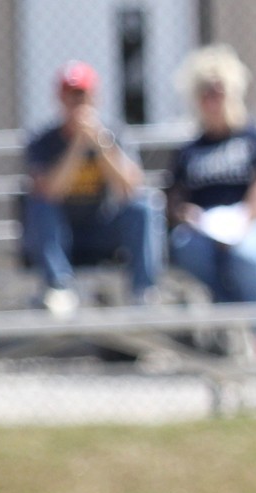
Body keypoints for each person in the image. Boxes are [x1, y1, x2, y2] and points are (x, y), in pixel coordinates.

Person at [22, 60, 162, 314]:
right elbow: (51, 190)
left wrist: (100, 144)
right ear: (60, 98)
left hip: (103, 229)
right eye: (70, 95)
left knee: (143, 207)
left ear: (94, 97)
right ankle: (59, 287)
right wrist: (77, 145)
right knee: (39, 205)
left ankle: (143, 292)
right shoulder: (43, 141)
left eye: (82, 95)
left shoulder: (113, 134)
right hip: (63, 235)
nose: (77, 102)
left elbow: (131, 185)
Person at [164, 46, 256, 312]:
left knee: (244, 257)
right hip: (204, 229)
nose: (213, 100)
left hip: (251, 223)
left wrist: (242, 219)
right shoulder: (190, 150)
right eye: (205, 93)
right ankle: (230, 318)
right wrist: (188, 215)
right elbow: (174, 197)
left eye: (218, 92)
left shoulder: (250, 137)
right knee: (186, 248)